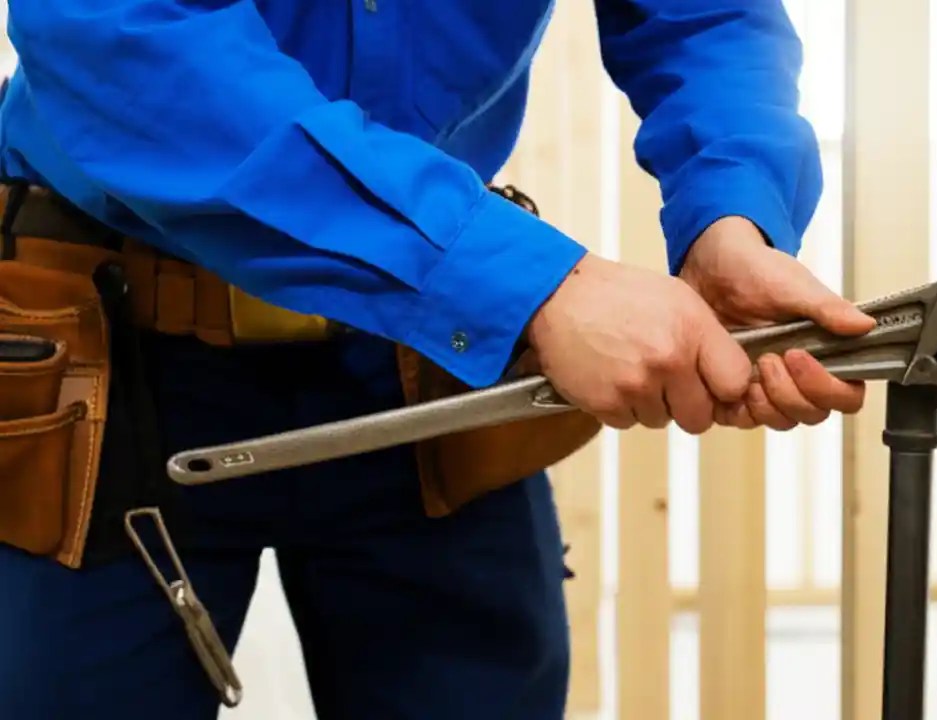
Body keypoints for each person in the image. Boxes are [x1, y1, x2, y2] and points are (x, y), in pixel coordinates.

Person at [0, 1, 873, 718]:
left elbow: (706, 15)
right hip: (109, 358)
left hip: (436, 349)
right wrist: (531, 287)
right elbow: (127, 40)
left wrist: (734, 209)